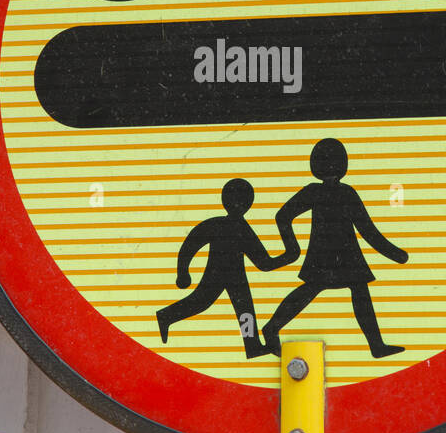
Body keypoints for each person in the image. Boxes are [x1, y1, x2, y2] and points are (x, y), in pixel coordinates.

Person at [262, 138, 408, 358]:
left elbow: (367, 229)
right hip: (332, 255)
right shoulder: (336, 192)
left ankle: (376, 345)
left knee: (352, 291)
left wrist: (292, 247)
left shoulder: (327, 192)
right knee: (322, 290)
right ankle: (272, 328)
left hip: (339, 255)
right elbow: (368, 230)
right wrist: (395, 253)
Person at [157, 178, 288, 358]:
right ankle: (165, 316)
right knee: (201, 302)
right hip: (218, 275)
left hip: (234, 277)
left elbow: (263, 262)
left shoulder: (234, 226)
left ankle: (253, 346)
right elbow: (191, 244)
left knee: (244, 311)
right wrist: (182, 272)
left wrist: (287, 257)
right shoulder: (224, 225)